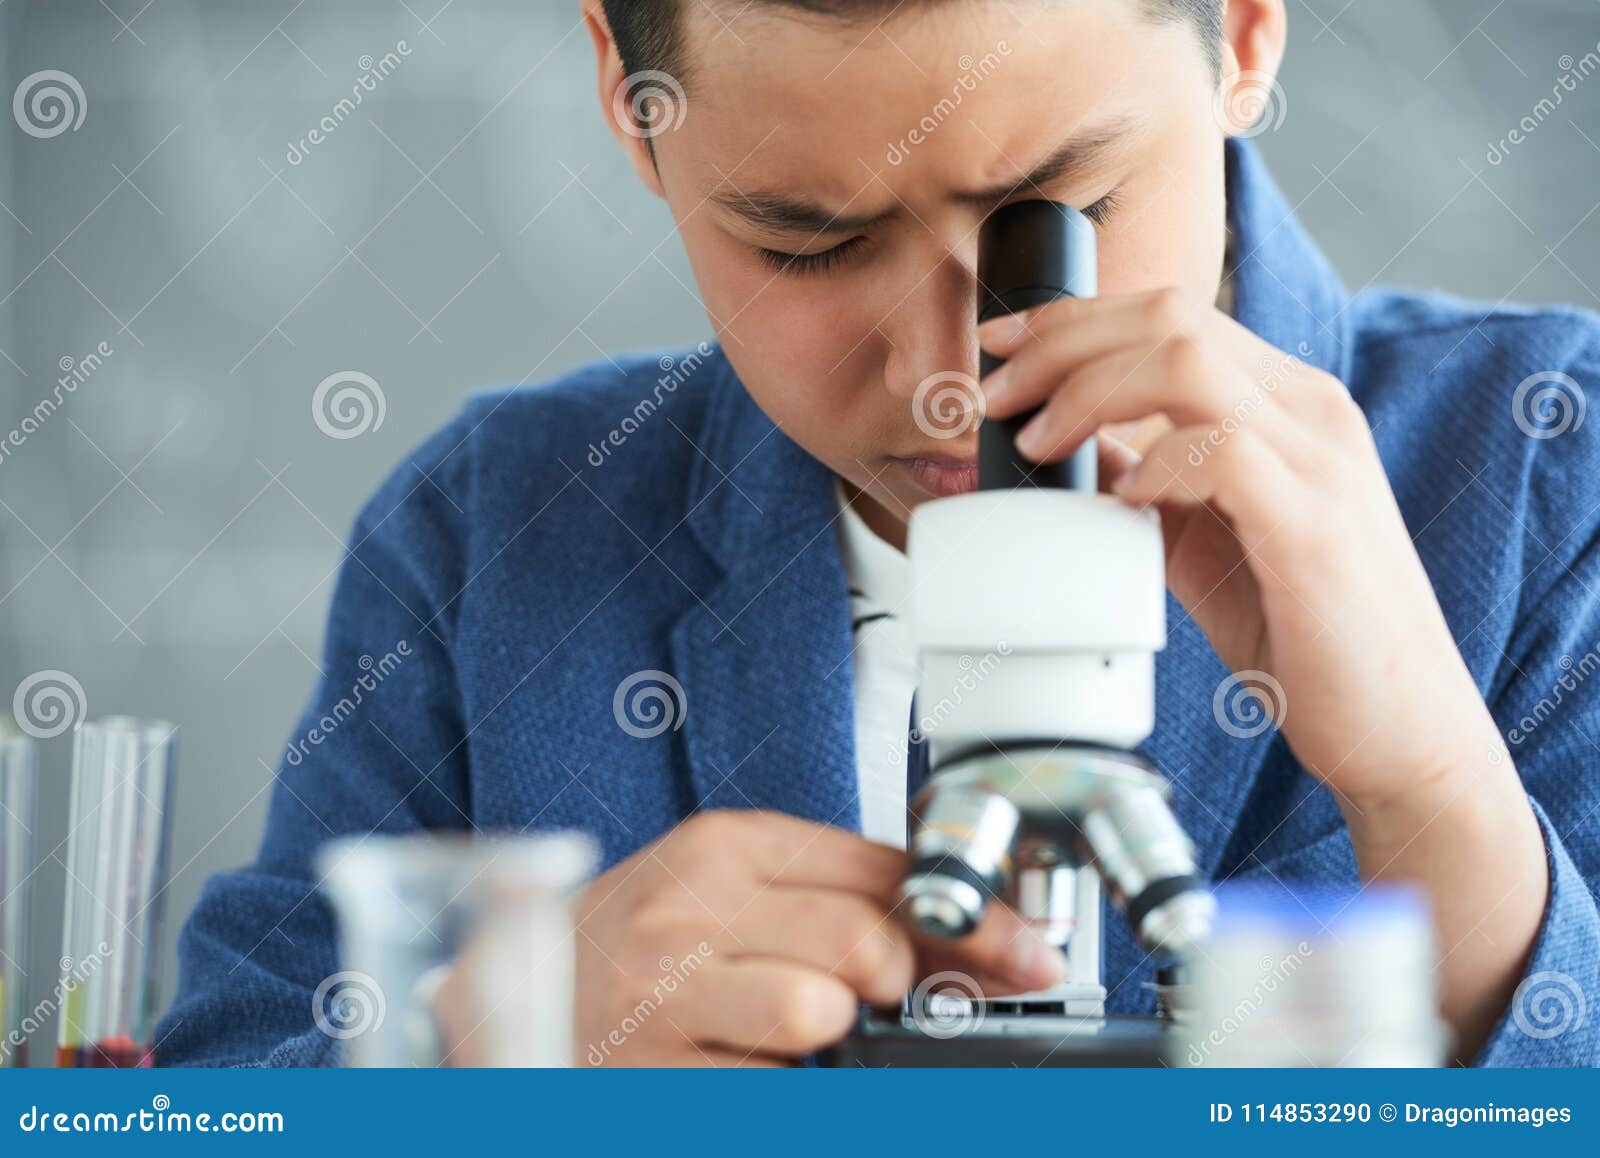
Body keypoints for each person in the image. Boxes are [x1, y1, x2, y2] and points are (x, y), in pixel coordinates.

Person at [157, 0, 1600, 1067]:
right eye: (809, 244)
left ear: (1241, 33)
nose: (948, 375)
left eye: (1065, 213)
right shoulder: (488, 535)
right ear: (626, 92)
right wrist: (487, 1065)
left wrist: (1433, 795)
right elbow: (216, 1086)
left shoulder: (1557, 473)